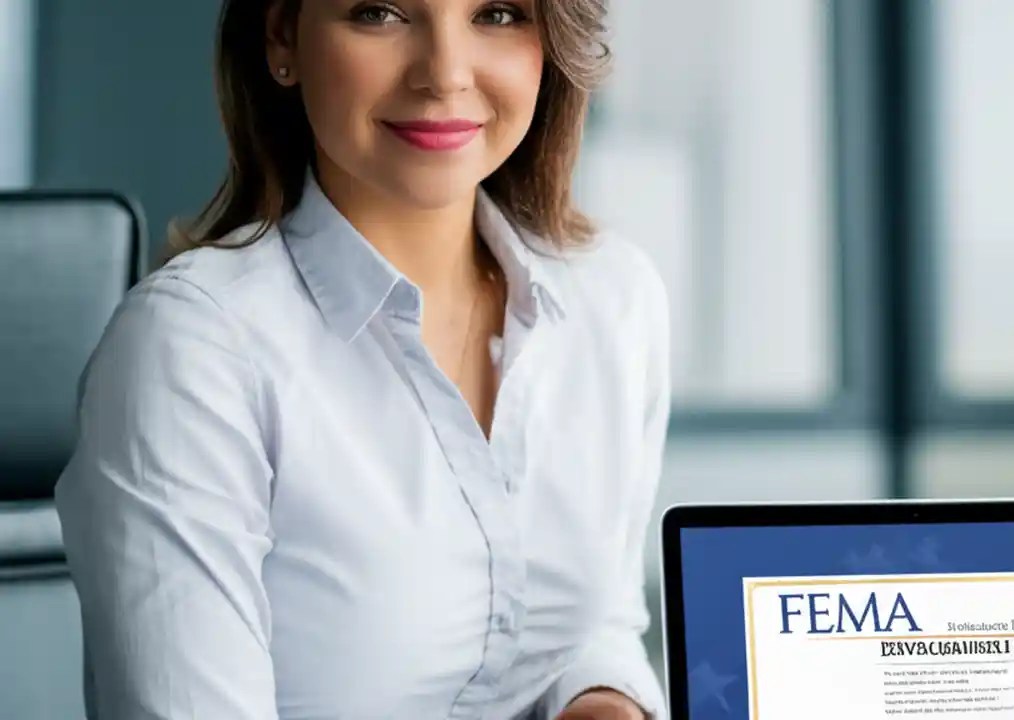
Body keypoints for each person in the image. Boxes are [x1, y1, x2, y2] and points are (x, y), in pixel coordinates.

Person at [53, 0, 670, 718]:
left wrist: (601, 700)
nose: (445, 73)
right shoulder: (193, 349)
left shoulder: (612, 300)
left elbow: (597, 625)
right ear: (283, 35)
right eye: (379, 12)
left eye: (498, 13)